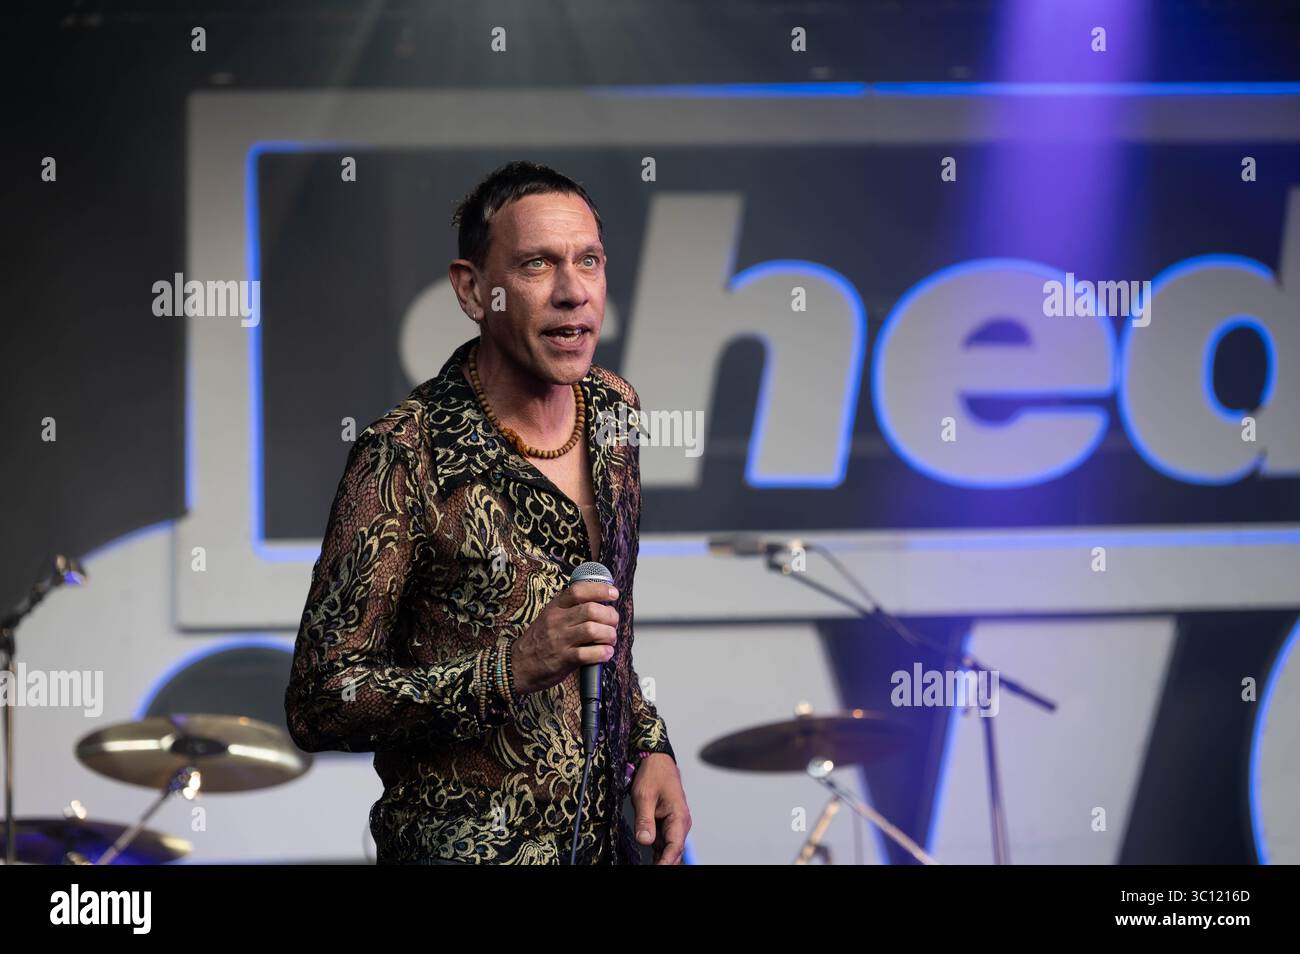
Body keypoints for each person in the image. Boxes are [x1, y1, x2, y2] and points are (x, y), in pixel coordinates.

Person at [285, 160, 691, 864]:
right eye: (537, 265)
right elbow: (321, 701)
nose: (572, 293)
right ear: (473, 291)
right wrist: (508, 667)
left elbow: (606, 634)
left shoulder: (614, 413)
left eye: (587, 261)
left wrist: (649, 744)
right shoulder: (403, 455)